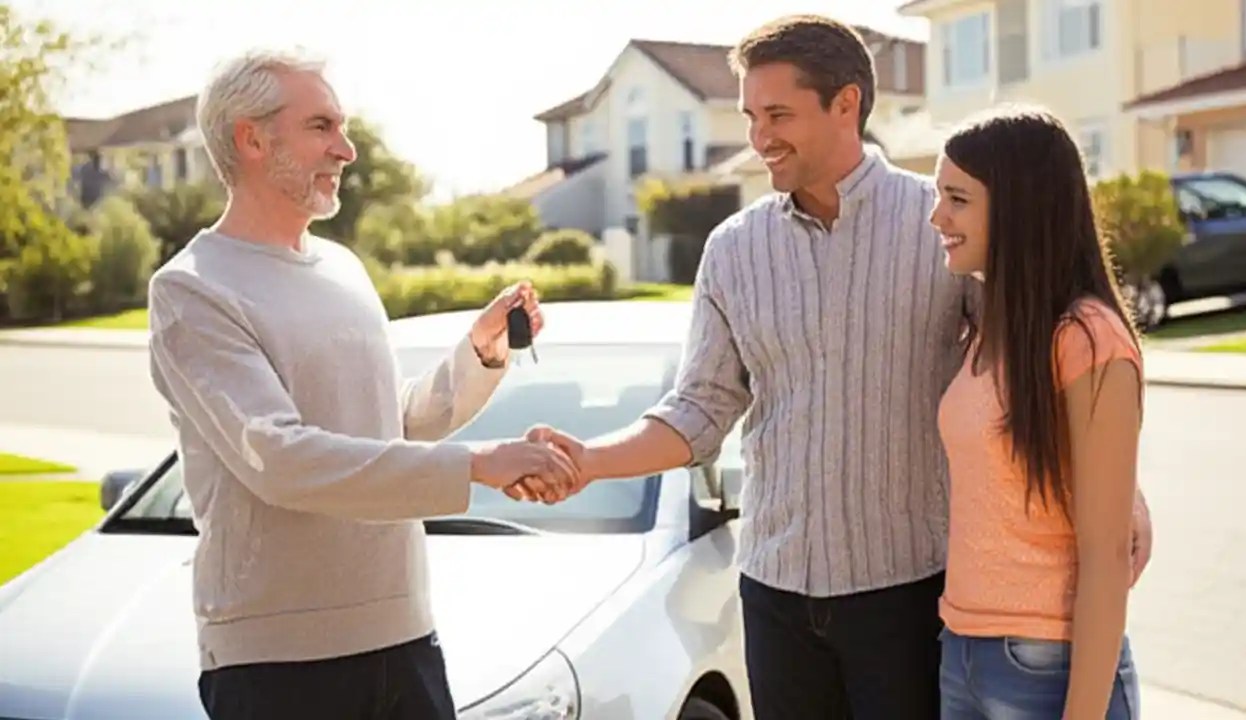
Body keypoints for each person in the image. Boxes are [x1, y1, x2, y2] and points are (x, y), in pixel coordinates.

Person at [514, 15, 1154, 719]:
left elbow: (1041, 357)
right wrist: (590, 459)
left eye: (779, 114)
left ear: (846, 104)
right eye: (752, 115)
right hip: (775, 595)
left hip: (908, 595)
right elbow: (698, 411)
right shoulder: (732, 251)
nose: (759, 138)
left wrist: (1122, 494)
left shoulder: (944, 227)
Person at [146, 49, 578, 720]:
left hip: (405, 635)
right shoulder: (191, 290)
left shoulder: (343, 267)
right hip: (277, 662)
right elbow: (283, 460)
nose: (345, 150)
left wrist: (478, 355)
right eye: (322, 126)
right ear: (251, 138)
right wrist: (479, 466)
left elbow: (391, 425)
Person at [930, 106, 1144, 719]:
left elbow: (1106, 558)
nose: (937, 216)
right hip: (964, 652)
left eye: (957, 199)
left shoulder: (1087, 339)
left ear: (1019, 207)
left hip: (1047, 664)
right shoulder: (996, 329)